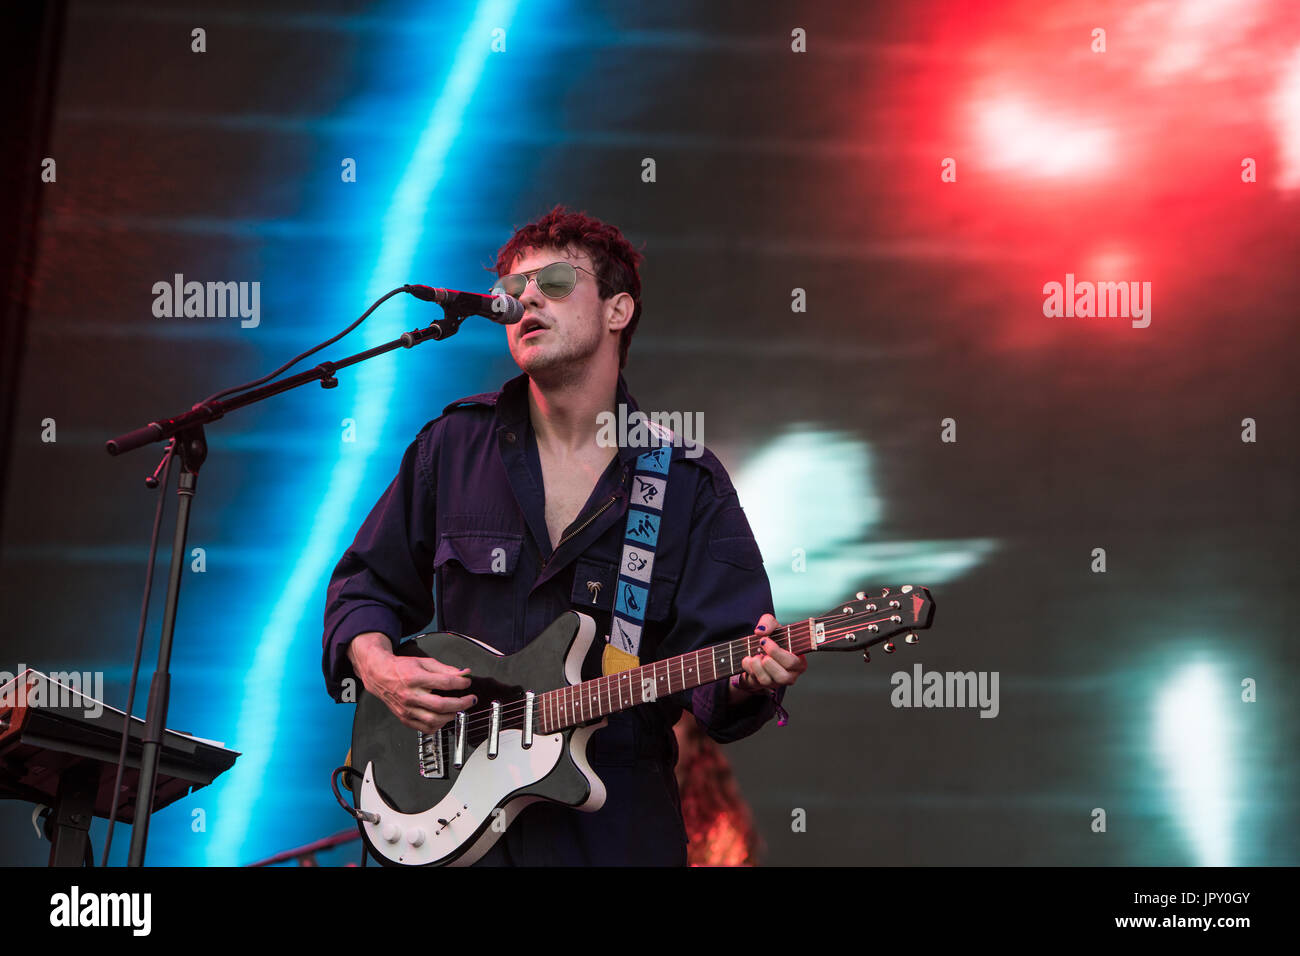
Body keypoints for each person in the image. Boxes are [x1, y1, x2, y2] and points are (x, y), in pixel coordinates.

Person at [321, 205, 806, 865]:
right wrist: (380, 669)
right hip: (454, 831)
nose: (524, 302)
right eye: (512, 292)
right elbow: (364, 587)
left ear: (617, 311)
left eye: (553, 284)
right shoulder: (452, 447)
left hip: (611, 829)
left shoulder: (684, 482)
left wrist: (750, 676)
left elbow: (722, 671)